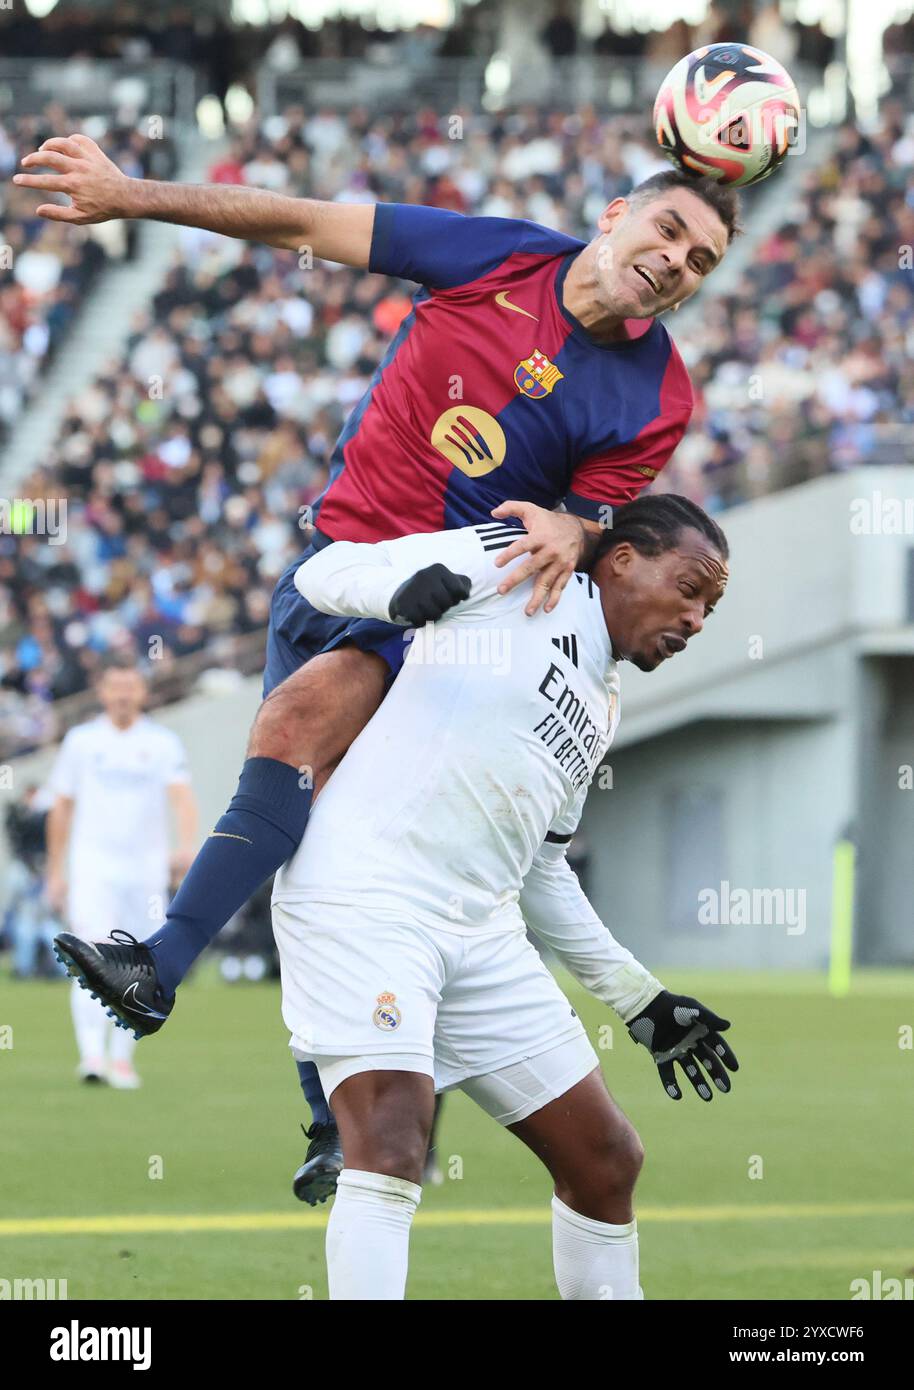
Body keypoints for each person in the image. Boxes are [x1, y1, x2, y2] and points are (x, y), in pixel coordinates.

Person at [22, 133, 740, 1194]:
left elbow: (592, 533)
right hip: (335, 566)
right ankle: (327, 1118)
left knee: (300, 737)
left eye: (701, 259)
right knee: (305, 823)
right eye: (668, 229)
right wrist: (130, 197)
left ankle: (162, 964)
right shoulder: (494, 255)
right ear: (612, 216)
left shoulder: (655, 397)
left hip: (446, 613)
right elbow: (302, 221)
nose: (676, 259)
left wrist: (569, 528)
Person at [271, 493, 738, 1298]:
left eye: (712, 609)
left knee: (606, 1158)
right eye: (690, 589)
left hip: (479, 934)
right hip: (366, 898)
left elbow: (545, 873)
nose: (698, 620)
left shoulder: (603, 700)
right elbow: (322, 570)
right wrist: (397, 595)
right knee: (390, 1141)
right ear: (622, 558)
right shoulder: (520, 566)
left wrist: (641, 1001)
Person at [48, 663, 197, 1087]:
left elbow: (182, 797)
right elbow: (62, 806)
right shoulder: (81, 742)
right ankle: (91, 1056)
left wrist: (186, 846)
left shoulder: (162, 742)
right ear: (102, 692)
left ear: (143, 692)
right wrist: (56, 870)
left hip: (145, 871)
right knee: (89, 953)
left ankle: (122, 1058)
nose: (123, 694)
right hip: (93, 867)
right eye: (115, 686)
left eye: (130, 686)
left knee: (139, 962)